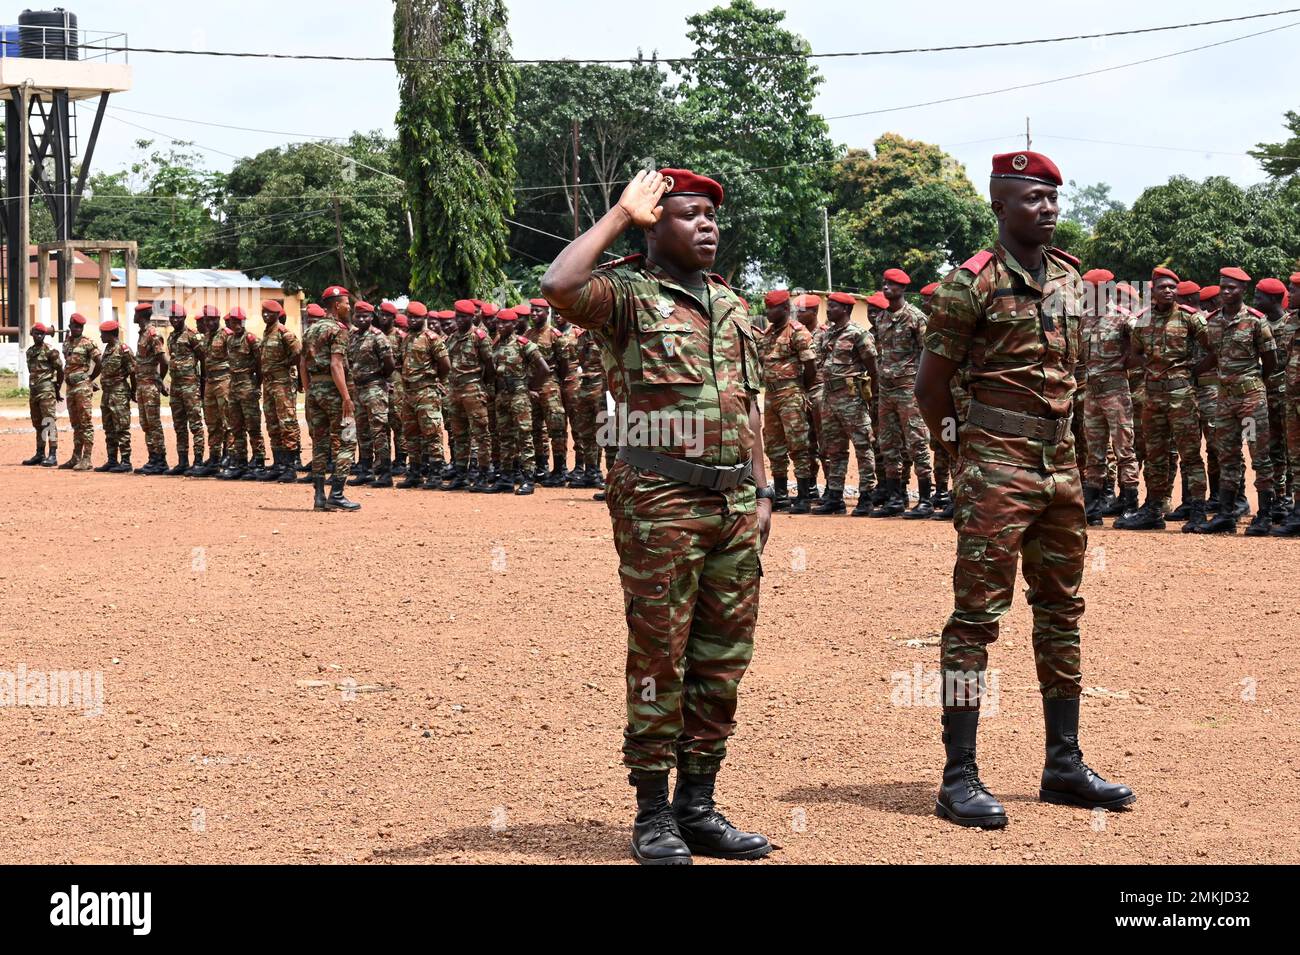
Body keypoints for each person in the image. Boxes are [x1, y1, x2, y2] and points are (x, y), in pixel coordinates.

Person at [542, 167, 772, 866]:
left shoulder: (732, 305)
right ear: (655, 224)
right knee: (659, 656)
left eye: (712, 215)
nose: (707, 225)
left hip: (734, 503)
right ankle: (652, 811)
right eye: (688, 214)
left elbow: (750, 404)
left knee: (721, 656)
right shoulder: (627, 297)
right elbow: (557, 286)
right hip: (660, 502)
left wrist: (764, 492)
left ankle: (697, 805)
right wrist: (619, 214)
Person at [915, 150, 1134, 829]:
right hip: (994, 463)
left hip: (1059, 463)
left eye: (1052, 199)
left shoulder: (1069, 280)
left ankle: (1063, 763)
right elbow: (929, 388)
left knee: (1063, 608)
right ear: (1000, 205)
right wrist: (966, 455)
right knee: (976, 619)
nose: (1047, 208)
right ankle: (959, 776)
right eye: (1032, 198)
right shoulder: (969, 285)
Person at [1119, 268, 1213, 531]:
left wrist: (1194, 371)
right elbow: (1136, 352)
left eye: (1173, 287)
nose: (1169, 291)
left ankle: (1197, 510)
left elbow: (1213, 349)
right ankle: (1153, 509)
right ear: (1153, 291)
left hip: (1181, 395)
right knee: (1155, 454)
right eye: (1163, 287)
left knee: (1190, 454)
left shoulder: (1190, 318)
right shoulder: (1144, 321)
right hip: (1153, 395)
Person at [1196, 268, 1278, 535]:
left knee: (1259, 456)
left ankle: (1265, 515)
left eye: (1232, 287)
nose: (1226, 291)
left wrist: (1254, 387)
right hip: (1225, 400)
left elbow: (1271, 362)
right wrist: (1192, 370)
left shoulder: (1256, 321)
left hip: (1250, 400)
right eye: (1223, 287)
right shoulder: (1212, 321)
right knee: (1227, 455)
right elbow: (1214, 355)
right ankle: (1225, 514)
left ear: (1243, 290)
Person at [1079, 270, 1139, 523]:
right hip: (1091, 392)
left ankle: (1130, 504)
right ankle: (1092, 509)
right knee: (1094, 452)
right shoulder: (1084, 318)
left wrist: (1127, 362)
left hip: (1116, 390)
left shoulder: (1125, 319)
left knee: (1124, 449)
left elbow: (1142, 347)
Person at [874, 268, 934, 518]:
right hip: (886, 390)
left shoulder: (915, 318)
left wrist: (921, 387)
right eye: (885, 283)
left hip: (908, 388)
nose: (886, 288)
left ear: (902, 289)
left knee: (917, 442)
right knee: (888, 444)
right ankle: (896, 498)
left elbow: (926, 353)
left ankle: (925, 500)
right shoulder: (881, 318)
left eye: (892, 285)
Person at [814, 291, 879, 516]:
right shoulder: (827, 334)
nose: (828, 309)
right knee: (835, 450)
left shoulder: (858, 333)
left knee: (863, 446)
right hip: (829, 398)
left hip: (852, 398)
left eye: (832, 306)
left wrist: (871, 396)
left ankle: (867, 496)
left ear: (845, 309)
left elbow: (873, 366)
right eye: (828, 305)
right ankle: (834, 497)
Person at [757, 289, 818, 513]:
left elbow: (811, 367)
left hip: (791, 393)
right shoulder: (768, 333)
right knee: (774, 445)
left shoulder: (798, 333)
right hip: (771, 395)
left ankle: (803, 496)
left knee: (799, 445)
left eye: (771, 308)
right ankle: (781, 495)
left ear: (784, 309)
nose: (767, 312)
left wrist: (802, 390)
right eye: (766, 308)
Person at [300, 285, 360, 511]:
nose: (349, 307)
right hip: (334, 392)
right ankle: (337, 493)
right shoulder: (338, 330)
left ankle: (318, 497)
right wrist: (346, 397)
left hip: (315, 390)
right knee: (347, 440)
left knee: (320, 444)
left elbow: (303, 364)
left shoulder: (311, 330)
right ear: (336, 306)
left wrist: (309, 391)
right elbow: (336, 364)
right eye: (346, 303)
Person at [491, 305, 551, 494]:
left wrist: (531, 387)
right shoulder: (497, 344)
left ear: (515, 324)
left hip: (519, 396)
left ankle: (528, 479)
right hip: (502, 396)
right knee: (505, 438)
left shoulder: (524, 344)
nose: (500, 326)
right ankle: (506, 478)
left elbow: (544, 369)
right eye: (499, 322)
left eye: (505, 323)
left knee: (525, 437)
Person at [443, 299, 496, 491]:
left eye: (463, 317)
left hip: (473, 390)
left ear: (472, 317)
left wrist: (483, 387)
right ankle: (461, 475)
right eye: (457, 316)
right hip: (455, 391)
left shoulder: (480, 337)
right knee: (459, 435)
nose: (459, 320)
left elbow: (490, 367)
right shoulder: (452, 338)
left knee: (481, 434)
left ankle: (482, 475)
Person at [398, 302, 451, 489]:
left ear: (424, 318)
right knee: (411, 435)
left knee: (432, 434)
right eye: (409, 317)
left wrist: (437, 380)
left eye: (416, 317)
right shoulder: (406, 338)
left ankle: (436, 474)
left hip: (426, 391)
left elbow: (445, 365)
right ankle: (415, 473)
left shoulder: (432, 338)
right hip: (409, 392)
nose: (412, 320)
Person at [1256, 278, 1293, 521]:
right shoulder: (1258, 324)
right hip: (1263, 397)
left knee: (1291, 450)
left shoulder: (1290, 324)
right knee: (1271, 449)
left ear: (1273, 299)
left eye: (1259, 297)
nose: (1255, 300)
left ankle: (1289, 499)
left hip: (1286, 396)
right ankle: (1279, 499)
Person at [258, 300, 302, 483]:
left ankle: (291, 467)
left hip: (282, 383)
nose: (266, 316)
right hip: (269, 384)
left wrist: (287, 364)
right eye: (264, 313)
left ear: (278, 315)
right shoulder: (267, 332)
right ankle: (279, 465)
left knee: (287, 423)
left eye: (270, 313)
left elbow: (298, 352)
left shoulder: (284, 332)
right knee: (272, 423)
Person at [527, 301, 570, 486]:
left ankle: (559, 470)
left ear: (547, 312)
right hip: (532, 388)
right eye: (532, 310)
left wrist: (554, 382)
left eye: (538, 310)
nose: (534, 313)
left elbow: (564, 366)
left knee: (557, 428)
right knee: (535, 429)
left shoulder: (555, 335)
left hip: (550, 386)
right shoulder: (528, 335)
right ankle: (541, 466)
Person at [1272, 273, 1300, 535]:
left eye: (1293, 290)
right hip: (1291, 400)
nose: (1289, 295)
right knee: (1296, 457)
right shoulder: (1289, 323)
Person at [165, 302, 206, 476]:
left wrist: (203, 382)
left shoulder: (193, 336)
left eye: (177, 317)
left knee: (195, 424)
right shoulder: (171, 337)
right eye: (172, 317)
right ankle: (183, 461)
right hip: (176, 386)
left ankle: (198, 461)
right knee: (179, 425)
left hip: (190, 386)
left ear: (183, 318)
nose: (174, 320)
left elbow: (203, 358)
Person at [60, 313, 101, 471]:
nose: (77, 329)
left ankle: (87, 458)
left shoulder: (87, 343)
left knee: (85, 422)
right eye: (74, 326)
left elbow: (99, 362)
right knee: (76, 423)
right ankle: (76, 456)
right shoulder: (67, 343)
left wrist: (90, 378)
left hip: (82, 387)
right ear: (70, 326)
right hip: (70, 388)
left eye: (80, 327)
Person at [195, 305, 232, 478]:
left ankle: (230, 456)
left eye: (212, 320)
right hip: (210, 381)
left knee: (228, 421)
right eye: (206, 320)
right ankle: (214, 457)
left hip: (224, 380)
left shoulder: (227, 335)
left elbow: (236, 358)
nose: (209, 323)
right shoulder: (206, 336)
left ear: (218, 319)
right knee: (212, 421)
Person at [97, 319, 135, 473]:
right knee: (109, 428)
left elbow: (133, 371)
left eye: (103, 334)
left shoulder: (123, 349)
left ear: (110, 334)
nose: (101, 337)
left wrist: (133, 391)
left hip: (119, 393)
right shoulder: (107, 349)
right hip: (107, 393)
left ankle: (126, 461)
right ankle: (112, 460)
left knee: (122, 428)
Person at [22, 322, 62, 467]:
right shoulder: (30, 352)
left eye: (42, 333)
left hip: (46, 390)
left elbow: (60, 370)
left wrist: (57, 388)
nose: (39, 336)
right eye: (36, 333)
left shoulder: (50, 351)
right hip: (34, 391)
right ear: (32, 334)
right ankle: (40, 453)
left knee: (49, 422)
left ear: (45, 335)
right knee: (38, 423)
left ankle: (52, 454)